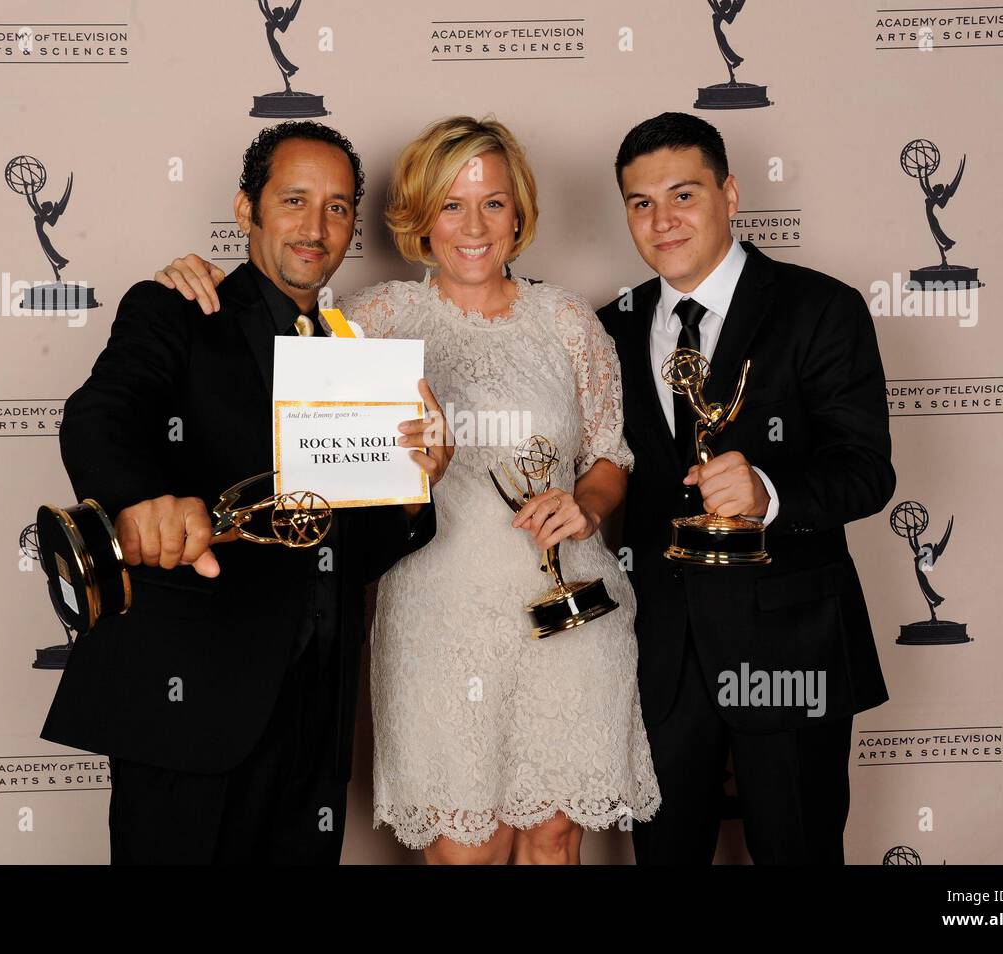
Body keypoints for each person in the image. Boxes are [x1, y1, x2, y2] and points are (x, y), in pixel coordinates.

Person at [157, 115, 660, 865]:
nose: (473, 225)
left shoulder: (568, 321)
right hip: (437, 621)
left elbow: (610, 455)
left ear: (519, 212)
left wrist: (587, 503)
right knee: (468, 850)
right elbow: (261, 369)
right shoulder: (368, 320)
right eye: (451, 204)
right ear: (420, 217)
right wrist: (189, 280)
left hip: (569, 614)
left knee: (554, 842)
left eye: (493, 202)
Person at [39, 121, 451, 865]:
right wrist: (139, 502)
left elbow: (348, 550)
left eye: (336, 206)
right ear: (245, 210)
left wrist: (419, 482)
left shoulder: (350, 355)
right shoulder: (175, 309)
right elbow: (98, 416)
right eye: (294, 200)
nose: (315, 226)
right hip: (187, 703)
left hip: (314, 720)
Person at [598, 111, 894, 864]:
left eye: (684, 195)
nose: (663, 221)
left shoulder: (820, 308)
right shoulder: (611, 328)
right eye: (640, 203)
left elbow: (866, 470)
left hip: (789, 642)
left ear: (730, 194)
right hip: (659, 652)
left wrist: (767, 489)